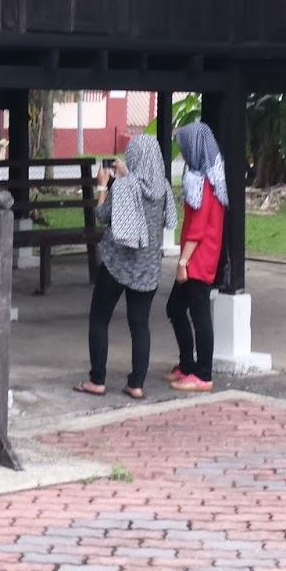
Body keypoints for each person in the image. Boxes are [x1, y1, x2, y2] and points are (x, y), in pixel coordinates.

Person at [75, 132, 175, 399]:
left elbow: (101, 215)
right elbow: (145, 194)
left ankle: (97, 380)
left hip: (118, 265)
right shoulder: (163, 187)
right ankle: (136, 384)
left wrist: (102, 186)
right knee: (139, 324)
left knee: (99, 319)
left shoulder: (123, 186)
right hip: (148, 267)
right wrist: (126, 175)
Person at [165, 121, 227, 392]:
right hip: (201, 257)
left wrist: (182, 263)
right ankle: (187, 366)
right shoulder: (210, 178)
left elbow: (197, 229)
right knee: (176, 309)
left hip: (198, 260)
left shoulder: (201, 183)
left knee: (199, 314)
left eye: (184, 145)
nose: (182, 150)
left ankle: (203, 374)